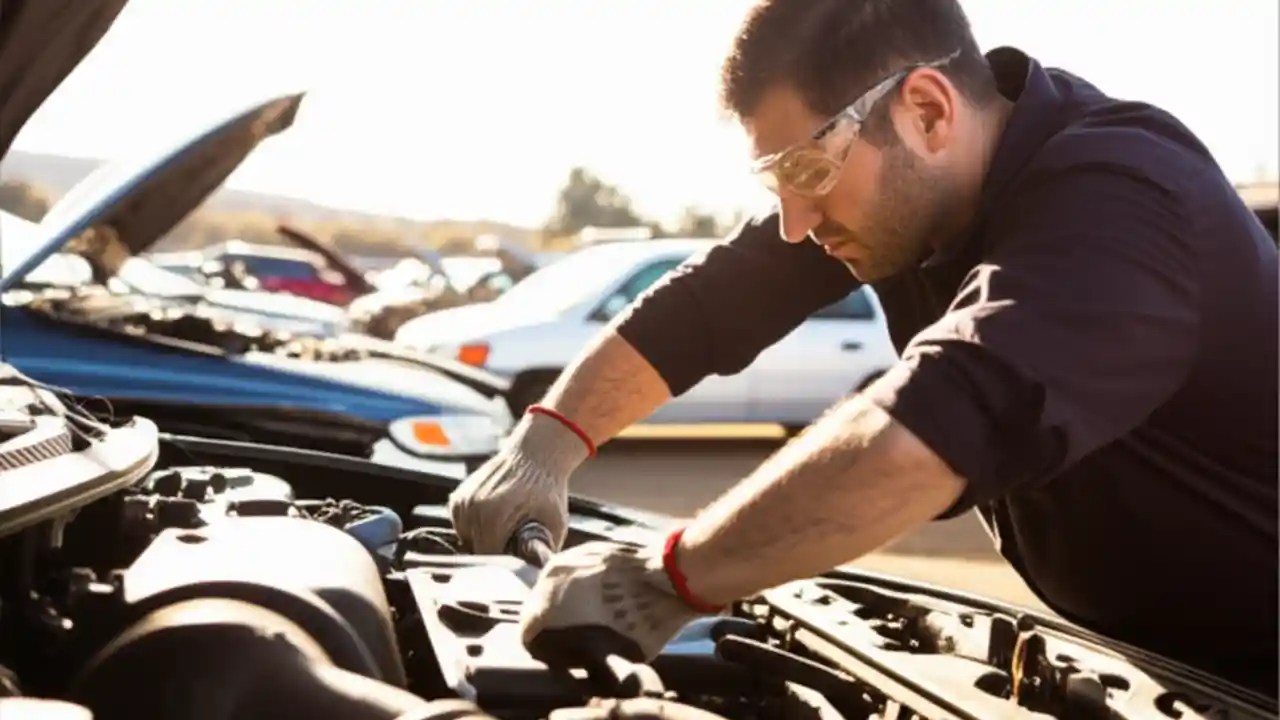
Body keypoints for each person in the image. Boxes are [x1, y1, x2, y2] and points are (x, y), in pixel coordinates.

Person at [448, 0, 1278, 696]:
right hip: (1160, 668)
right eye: (777, 184)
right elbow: (712, 303)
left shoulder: (1128, 202)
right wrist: (544, 444)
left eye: (806, 172)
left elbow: (940, 427)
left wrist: (664, 580)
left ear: (927, 110)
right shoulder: (904, 196)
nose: (796, 223)